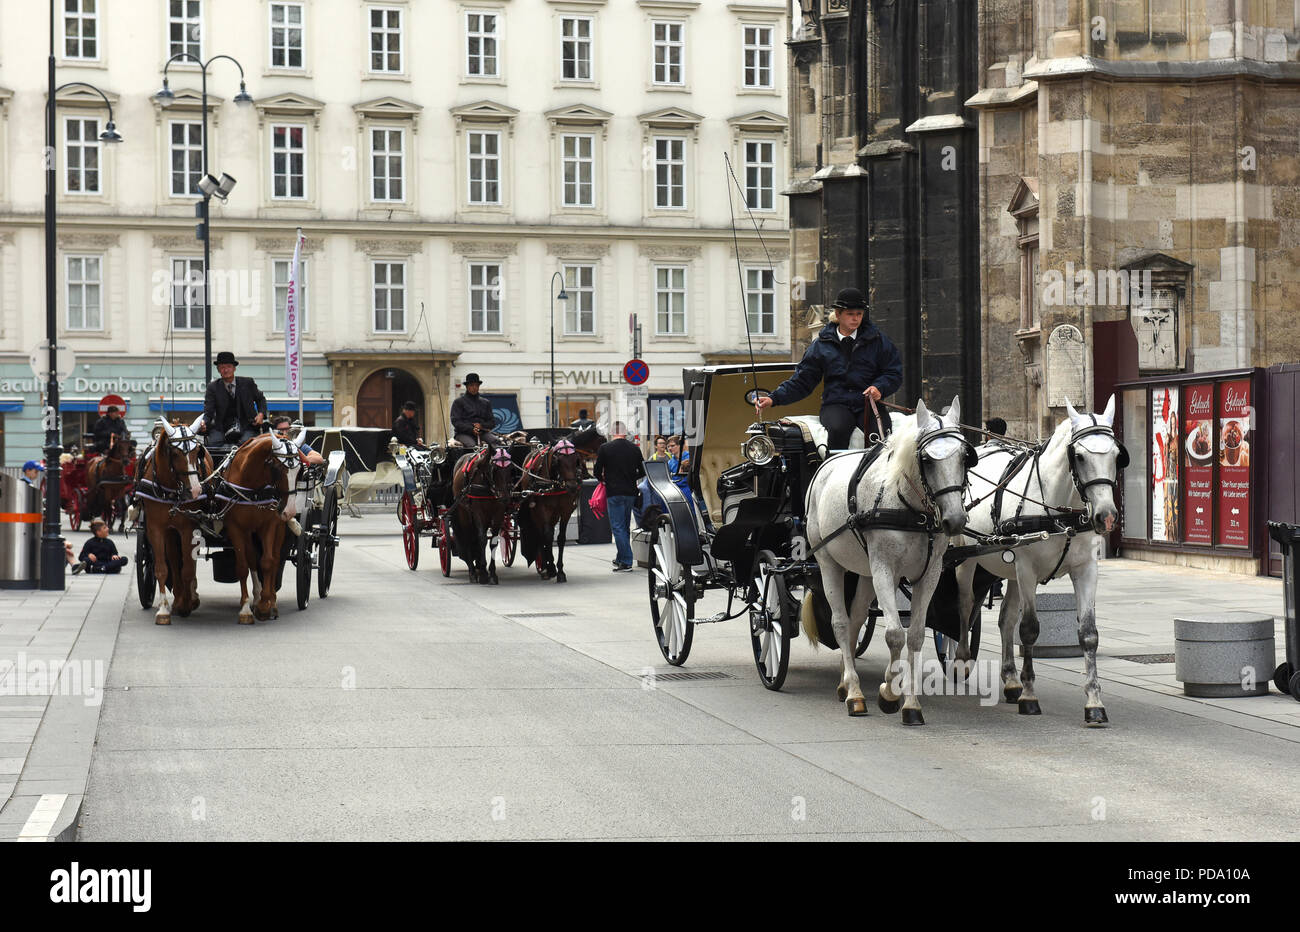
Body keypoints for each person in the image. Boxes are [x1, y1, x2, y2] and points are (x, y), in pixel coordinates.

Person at [755, 287, 903, 449]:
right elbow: (802, 381)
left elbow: (893, 372)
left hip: (868, 404)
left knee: (882, 433)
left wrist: (878, 388)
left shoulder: (878, 341)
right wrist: (773, 398)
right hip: (836, 404)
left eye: (859, 314)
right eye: (850, 314)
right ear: (838, 314)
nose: (855, 319)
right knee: (838, 429)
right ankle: (835, 471)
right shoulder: (821, 345)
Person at [594, 421, 645, 572]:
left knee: (617, 527)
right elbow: (643, 470)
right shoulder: (634, 449)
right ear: (625, 432)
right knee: (624, 526)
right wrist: (631, 477)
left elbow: (597, 470)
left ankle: (627, 561)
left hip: (614, 492)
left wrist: (603, 479)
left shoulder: (605, 448)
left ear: (612, 432)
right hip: (630, 492)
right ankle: (620, 558)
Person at [199, 351, 267, 445]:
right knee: (213, 446)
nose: (226, 370)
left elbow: (261, 399)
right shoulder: (212, 387)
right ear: (218, 370)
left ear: (234, 368)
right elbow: (208, 412)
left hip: (247, 426)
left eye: (228, 366)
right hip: (221, 428)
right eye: (222, 367)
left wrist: (261, 414)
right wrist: (204, 423)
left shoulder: (248, 383)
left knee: (246, 445)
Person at [450, 373, 502, 446]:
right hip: (463, 434)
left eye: (476, 385)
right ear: (467, 386)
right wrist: (471, 429)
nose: (474, 387)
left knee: (496, 441)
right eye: (472, 385)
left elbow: (492, 422)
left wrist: (481, 425)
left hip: (482, 433)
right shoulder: (458, 402)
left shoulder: (486, 402)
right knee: (472, 446)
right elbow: (456, 422)